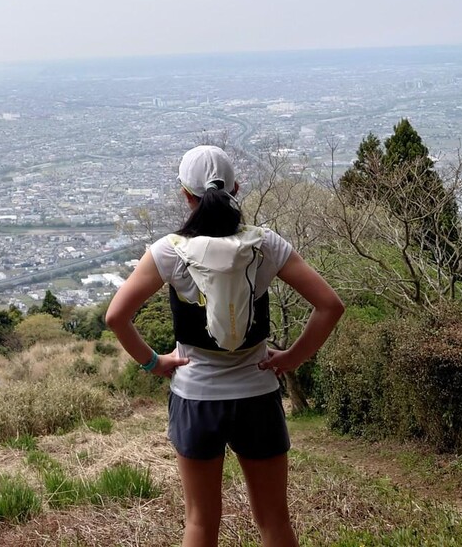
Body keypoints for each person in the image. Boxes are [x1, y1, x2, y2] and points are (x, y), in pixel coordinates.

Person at [105, 145, 345, 547]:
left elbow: (116, 317)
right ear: (236, 188)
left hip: (195, 396)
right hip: (257, 394)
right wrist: (292, 358)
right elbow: (329, 306)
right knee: (274, 521)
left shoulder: (169, 251)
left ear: (186, 194)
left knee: (200, 523)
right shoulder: (266, 244)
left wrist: (154, 362)